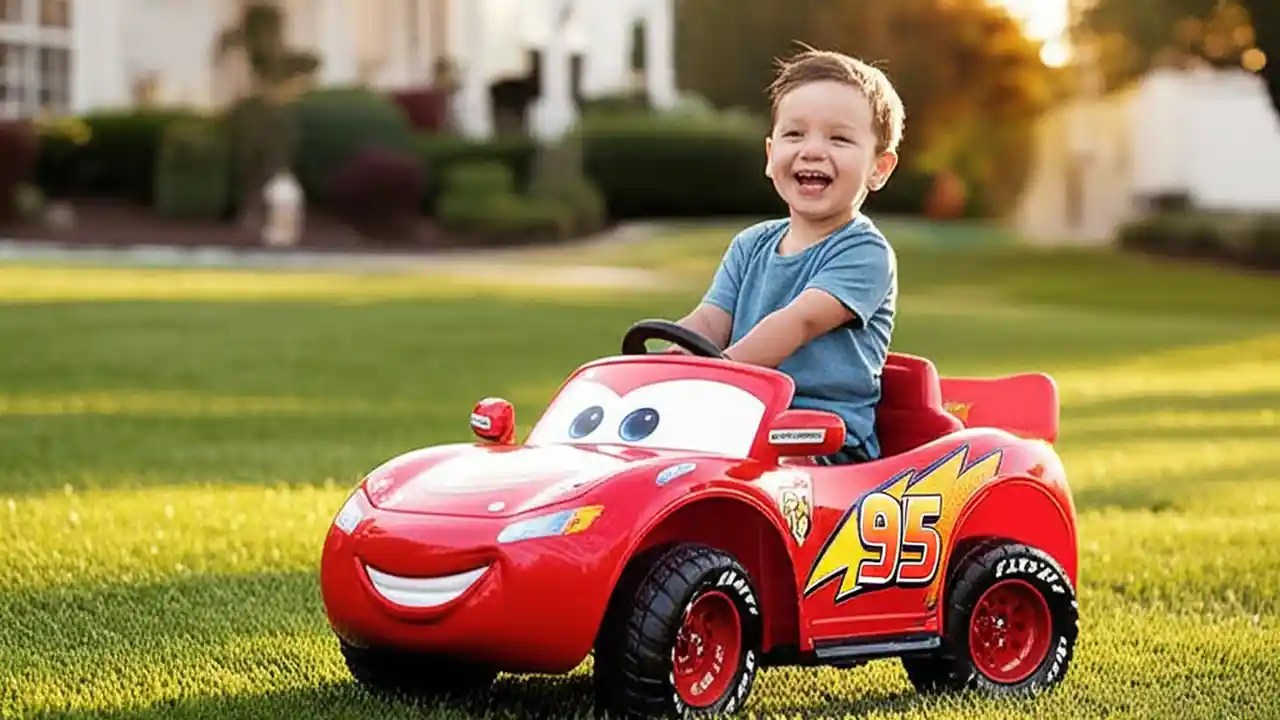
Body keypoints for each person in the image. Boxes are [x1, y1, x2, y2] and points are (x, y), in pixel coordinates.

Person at [671, 47, 905, 464]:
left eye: (839, 138)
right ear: (770, 155)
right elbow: (709, 321)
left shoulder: (864, 252)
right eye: (794, 134)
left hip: (821, 441)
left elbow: (799, 322)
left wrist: (720, 374)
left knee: (760, 474)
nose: (812, 150)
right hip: (740, 421)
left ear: (879, 168)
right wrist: (662, 365)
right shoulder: (750, 244)